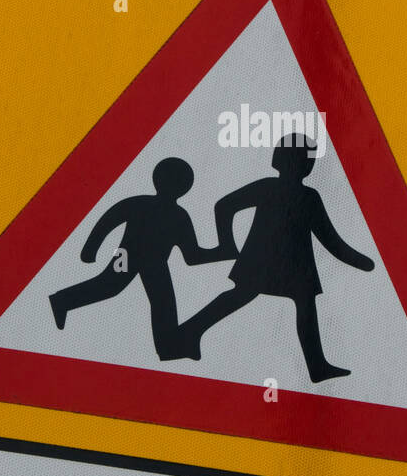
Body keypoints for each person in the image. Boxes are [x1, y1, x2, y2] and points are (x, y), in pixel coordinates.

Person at [180, 135, 374, 382]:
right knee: (270, 299)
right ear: (306, 164)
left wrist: (226, 244)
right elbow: (224, 206)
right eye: (307, 159)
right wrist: (358, 261)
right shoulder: (289, 192)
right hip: (280, 263)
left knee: (253, 297)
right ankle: (189, 332)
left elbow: (329, 238)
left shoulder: (294, 193)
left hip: (284, 264)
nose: (309, 163)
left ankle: (189, 331)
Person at [48, 157, 222, 360]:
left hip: (155, 264)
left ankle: (168, 348)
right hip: (127, 256)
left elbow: (192, 255)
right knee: (110, 286)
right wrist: (90, 249)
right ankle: (61, 300)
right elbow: (109, 220)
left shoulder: (179, 216)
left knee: (162, 303)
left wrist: (221, 253)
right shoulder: (144, 205)